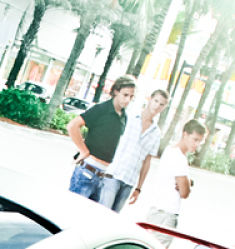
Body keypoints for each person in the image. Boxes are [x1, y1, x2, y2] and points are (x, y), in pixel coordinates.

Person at [66, 75, 136, 203]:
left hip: (103, 177)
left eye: (131, 97)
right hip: (86, 172)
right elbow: (72, 125)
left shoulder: (124, 117)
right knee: (71, 215)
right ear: (116, 91)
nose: (128, 100)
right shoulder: (101, 109)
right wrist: (83, 150)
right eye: (125, 95)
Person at [97, 89, 169, 212]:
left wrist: (138, 188)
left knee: (114, 219)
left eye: (162, 104)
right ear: (150, 99)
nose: (157, 106)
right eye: (156, 101)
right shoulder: (129, 117)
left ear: (164, 107)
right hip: (113, 174)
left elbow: (147, 162)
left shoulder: (156, 133)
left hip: (129, 182)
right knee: (103, 213)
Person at [128, 118, 207, 230]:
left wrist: (187, 182)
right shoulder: (180, 158)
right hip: (167, 214)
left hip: (156, 210)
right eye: (195, 139)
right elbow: (184, 193)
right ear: (185, 134)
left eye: (200, 141)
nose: (197, 144)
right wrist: (186, 184)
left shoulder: (169, 150)